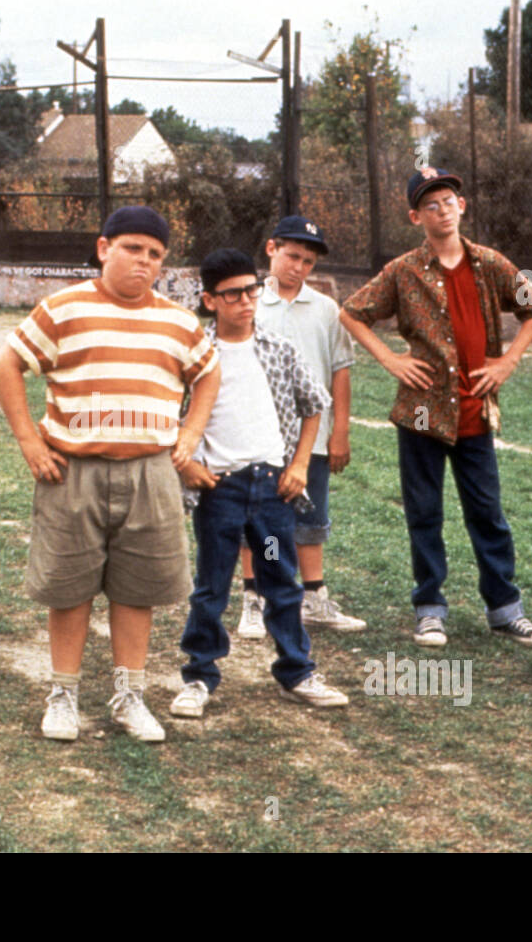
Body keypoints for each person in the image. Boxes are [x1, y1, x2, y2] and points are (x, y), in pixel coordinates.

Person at [0, 205, 220, 743]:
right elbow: (6, 364)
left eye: (155, 254)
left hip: (150, 472)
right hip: (74, 470)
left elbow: (208, 374)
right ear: (103, 248)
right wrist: (29, 441)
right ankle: (63, 695)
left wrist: (188, 436)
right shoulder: (63, 308)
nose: (143, 262)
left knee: (136, 588)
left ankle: (129, 697)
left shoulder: (177, 321)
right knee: (69, 588)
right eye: (132, 249)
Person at [339, 166, 532, 649]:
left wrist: (507, 362)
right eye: (431, 204)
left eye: (450, 200)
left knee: (488, 513)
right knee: (424, 513)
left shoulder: (489, 263)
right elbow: (352, 312)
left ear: (463, 207)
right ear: (416, 216)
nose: (443, 210)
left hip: (475, 411)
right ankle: (430, 609)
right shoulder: (403, 271)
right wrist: (393, 361)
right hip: (422, 413)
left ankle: (505, 609)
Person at [171, 248, 349, 719]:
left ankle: (296, 669)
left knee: (279, 579)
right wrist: (188, 465)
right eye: (233, 295)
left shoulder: (277, 349)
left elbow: (315, 404)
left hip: (270, 489)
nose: (247, 301)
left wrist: (296, 466)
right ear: (210, 300)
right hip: (220, 490)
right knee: (212, 585)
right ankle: (199, 675)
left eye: (252, 290)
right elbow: (170, 416)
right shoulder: (195, 356)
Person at [236, 215, 365, 639]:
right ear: (271, 249)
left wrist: (339, 429)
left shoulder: (326, 309)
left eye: (308, 261)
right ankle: (254, 598)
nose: (299, 267)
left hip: (314, 437)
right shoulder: (248, 302)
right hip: (260, 434)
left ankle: (313, 596)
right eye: (292, 256)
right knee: (259, 517)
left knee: (310, 517)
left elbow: (340, 371)